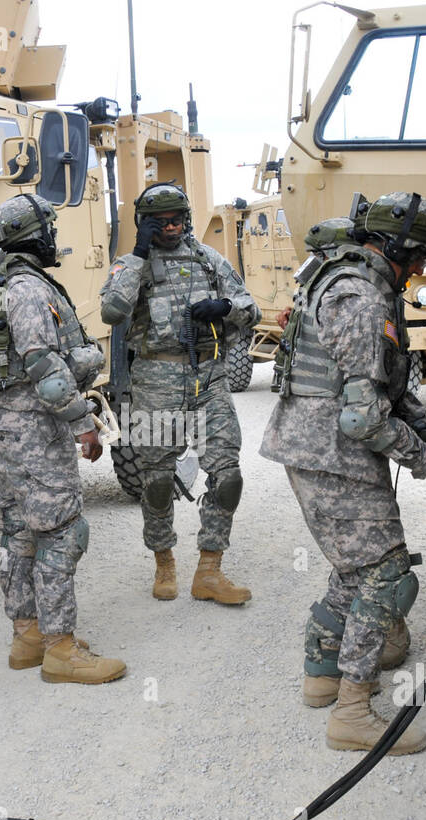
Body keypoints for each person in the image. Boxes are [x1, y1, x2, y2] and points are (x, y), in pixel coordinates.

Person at [261, 193, 426, 753]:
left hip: (321, 449)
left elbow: (389, 386)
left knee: (357, 569)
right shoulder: (359, 297)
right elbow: (361, 417)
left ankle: (322, 675)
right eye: (421, 258)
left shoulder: (359, 284)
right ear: (396, 247)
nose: (423, 270)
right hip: (332, 453)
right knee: (386, 573)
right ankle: (353, 712)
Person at [0, 194, 126, 684]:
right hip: (35, 427)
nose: (54, 237)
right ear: (35, 233)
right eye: (49, 228)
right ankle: (61, 649)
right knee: (61, 530)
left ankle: (27, 636)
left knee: (19, 529)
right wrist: (82, 424)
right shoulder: (26, 288)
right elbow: (45, 370)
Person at [100, 183, 260, 604]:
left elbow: (251, 308)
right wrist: (137, 254)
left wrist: (225, 309)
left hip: (208, 376)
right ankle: (164, 561)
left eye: (179, 220)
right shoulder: (130, 264)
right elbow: (112, 312)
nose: (173, 228)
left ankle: (209, 569)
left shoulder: (209, 260)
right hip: (156, 379)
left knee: (227, 475)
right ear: (145, 224)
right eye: (162, 222)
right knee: (156, 481)